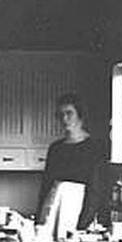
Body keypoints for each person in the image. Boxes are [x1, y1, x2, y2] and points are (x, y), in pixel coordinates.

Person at [35, 92, 104, 233]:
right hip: (53, 207)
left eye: (69, 113)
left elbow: (95, 189)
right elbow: (46, 185)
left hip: (78, 210)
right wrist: (38, 219)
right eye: (60, 115)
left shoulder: (95, 147)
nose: (64, 119)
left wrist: (83, 223)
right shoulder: (56, 148)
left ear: (80, 114)